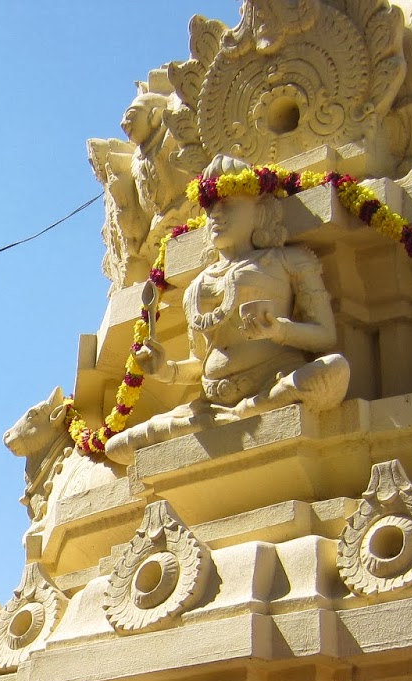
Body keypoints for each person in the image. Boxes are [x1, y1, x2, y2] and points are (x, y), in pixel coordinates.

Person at [109, 154, 349, 461]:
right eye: (210, 208)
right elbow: (201, 360)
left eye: (228, 205)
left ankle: (244, 412)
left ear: (259, 211)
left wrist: (277, 329)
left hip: (274, 380)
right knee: (119, 447)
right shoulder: (197, 285)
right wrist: (165, 370)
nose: (216, 216)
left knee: (333, 371)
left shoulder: (289, 262)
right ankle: (235, 416)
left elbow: (325, 335)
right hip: (210, 400)